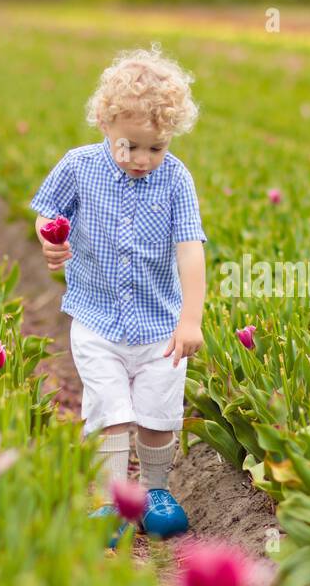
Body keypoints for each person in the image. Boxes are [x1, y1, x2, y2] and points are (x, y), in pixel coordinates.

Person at [30, 45, 206, 545]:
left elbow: (190, 250)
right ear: (105, 124)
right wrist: (51, 237)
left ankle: (153, 492)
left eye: (157, 148)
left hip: (159, 326)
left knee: (157, 416)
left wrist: (189, 319)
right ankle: (111, 501)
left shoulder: (176, 179)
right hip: (97, 320)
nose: (143, 159)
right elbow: (47, 215)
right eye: (130, 146)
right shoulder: (78, 166)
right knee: (109, 412)